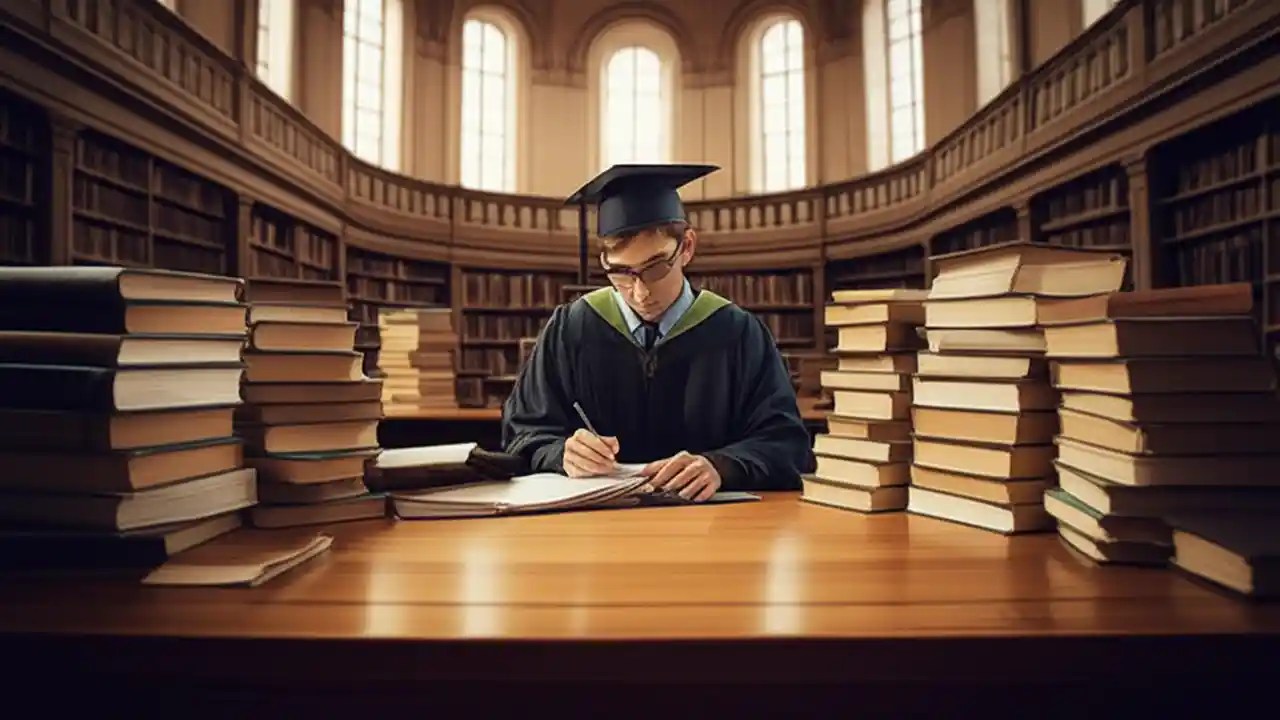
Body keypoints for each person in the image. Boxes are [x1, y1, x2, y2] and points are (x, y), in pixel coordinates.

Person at [500, 163, 816, 501]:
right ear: (604, 260)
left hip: (713, 523)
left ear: (687, 247)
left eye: (656, 267)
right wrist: (561, 453)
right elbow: (521, 436)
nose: (640, 293)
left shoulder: (738, 333)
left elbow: (788, 446)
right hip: (594, 526)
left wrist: (722, 466)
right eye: (621, 272)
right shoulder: (570, 329)